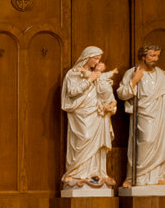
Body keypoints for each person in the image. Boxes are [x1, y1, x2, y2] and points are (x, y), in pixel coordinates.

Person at [61, 46, 117, 189]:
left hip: (96, 113)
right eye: (96, 58)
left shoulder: (97, 75)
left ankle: (95, 172)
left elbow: (104, 93)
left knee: (97, 145)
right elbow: (72, 92)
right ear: (87, 57)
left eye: (99, 59)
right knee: (84, 137)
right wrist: (89, 79)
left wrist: (110, 105)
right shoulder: (73, 74)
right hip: (80, 113)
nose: (98, 62)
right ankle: (76, 173)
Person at [118, 43, 163, 188]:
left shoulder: (161, 74)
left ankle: (156, 176)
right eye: (152, 55)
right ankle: (136, 177)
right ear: (143, 56)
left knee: (160, 146)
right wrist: (135, 80)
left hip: (159, 116)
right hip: (143, 115)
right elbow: (122, 94)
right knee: (145, 141)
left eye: (157, 56)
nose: (155, 59)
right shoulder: (132, 72)